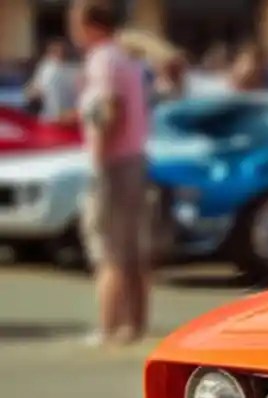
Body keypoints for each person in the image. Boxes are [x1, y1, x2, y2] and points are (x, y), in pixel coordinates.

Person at [69, 0, 151, 347]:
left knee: (108, 249)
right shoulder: (124, 56)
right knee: (130, 248)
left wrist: (99, 157)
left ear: (90, 25)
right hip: (133, 158)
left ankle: (109, 325)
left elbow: (108, 109)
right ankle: (134, 323)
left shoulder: (102, 58)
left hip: (114, 162)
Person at [25, 40, 79, 123]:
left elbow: (33, 92)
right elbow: (34, 91)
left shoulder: (51, 68)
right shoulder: (47, 67)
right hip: (56, 118)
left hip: (62, 119)